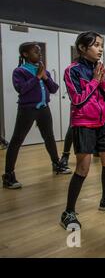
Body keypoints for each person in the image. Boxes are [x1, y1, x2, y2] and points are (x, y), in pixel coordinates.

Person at [60, 31, 105, 230]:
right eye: (96, 45)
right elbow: (77, 99)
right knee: (83, 167)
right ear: (82, 48)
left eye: (101, 45)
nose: (101, 49)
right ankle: (68, 212)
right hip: (83, 124)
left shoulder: (98, 69)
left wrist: (101, 81)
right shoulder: (72, 70)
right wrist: (95, 82)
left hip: (101, 122)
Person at [2, 42, 70, 190]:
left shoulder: (42, 70)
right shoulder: (20, 71)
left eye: (40, 52)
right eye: (35, 52)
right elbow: (21, 89)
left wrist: (45, 77)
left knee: (49, 137)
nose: (39, 55)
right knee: (17, 140)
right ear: (25, 54)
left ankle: (56, 164)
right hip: (27, 109)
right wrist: (37, 77)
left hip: (43, 109)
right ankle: (8, 176)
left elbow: (53, 89)